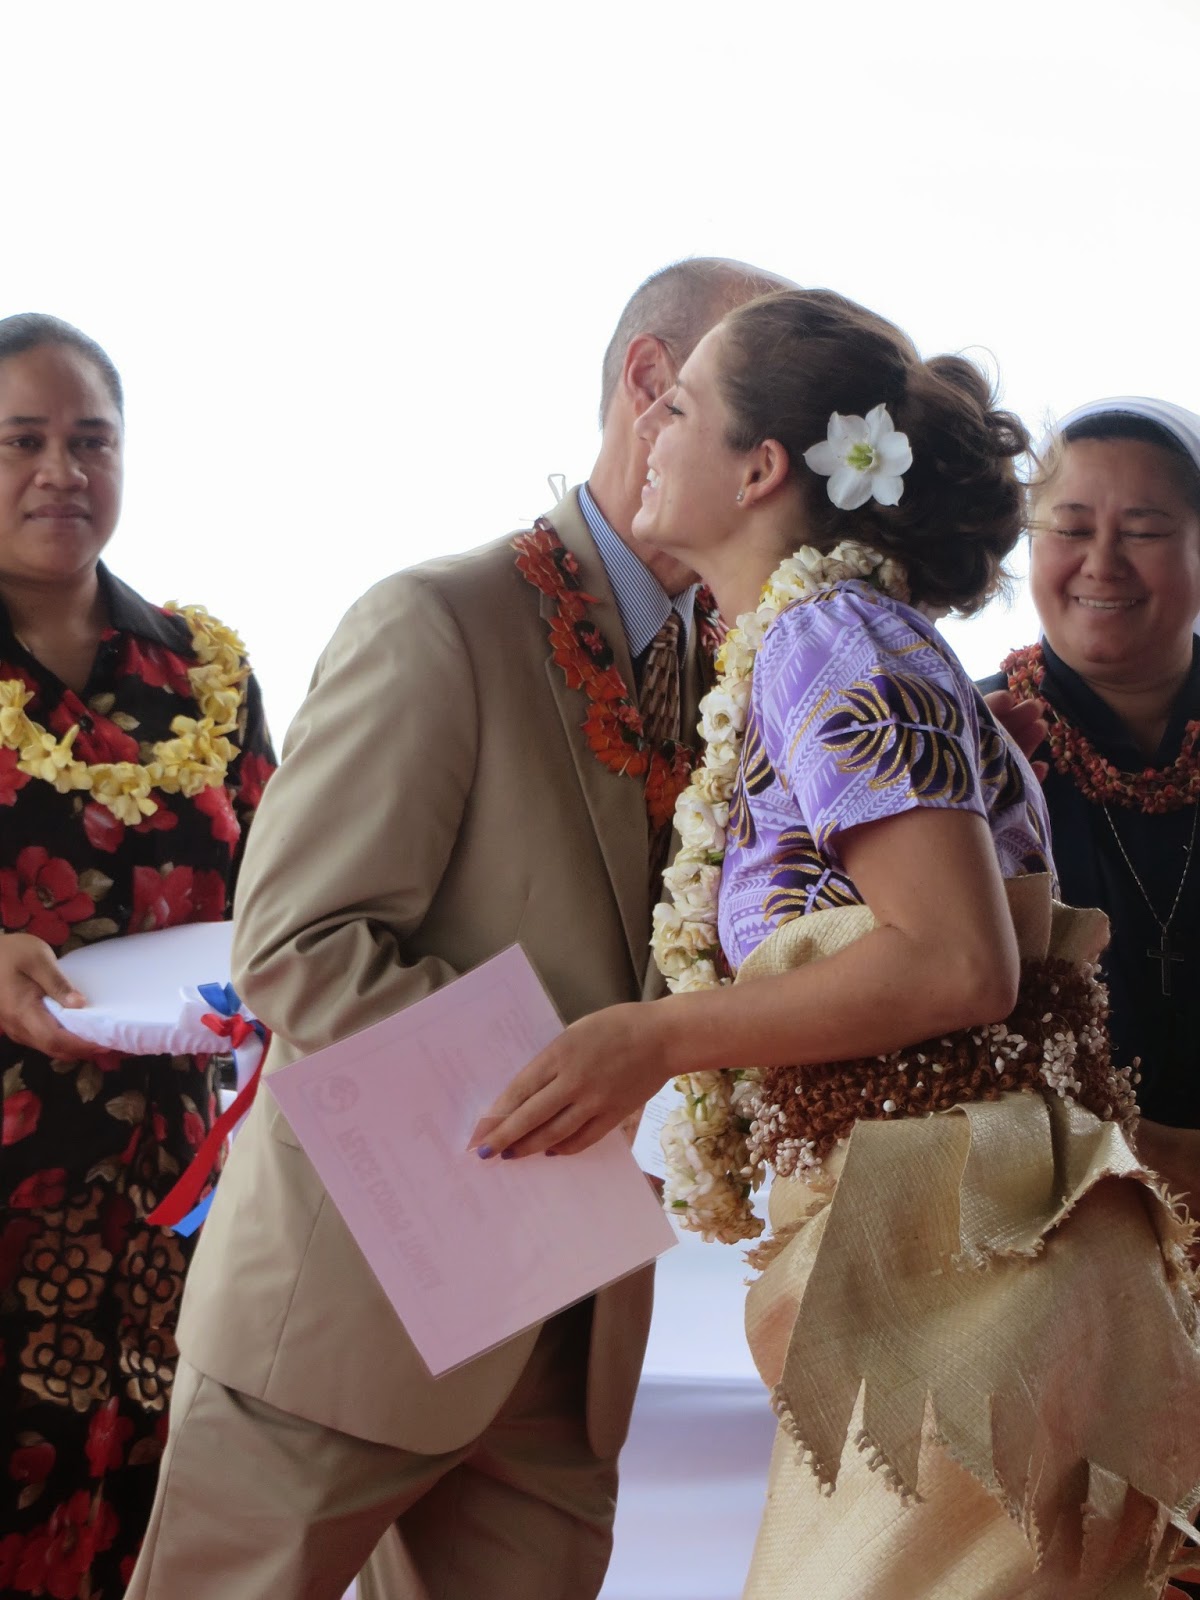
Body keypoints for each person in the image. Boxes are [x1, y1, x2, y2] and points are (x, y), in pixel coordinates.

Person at [478, 291, 1200, 1597]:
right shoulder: (819, 641)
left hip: (971, 1260)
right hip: (950, 1247)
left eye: (680, 405)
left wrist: (651, 1038)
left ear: (761, 469)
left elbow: (954, 962)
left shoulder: (829, 638)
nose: (651, 428)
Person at [124, 258, 795, 1600]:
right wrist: (576, 1077)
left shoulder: (749, 664)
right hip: (351, 1304)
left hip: (572, 1337)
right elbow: (297, 940)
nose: (789, 477)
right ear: (655, 388)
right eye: (767, 420)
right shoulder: (437, 619)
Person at [0, 314, 275, 1598]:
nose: (62, 470)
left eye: (89, 441)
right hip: (8, 1190)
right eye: (22, 441)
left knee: (159, 1514)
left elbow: (283, 881)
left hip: (170, 1189)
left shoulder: (198, 672)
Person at [979, 398, 1200, 1202]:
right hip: (1055, 1216)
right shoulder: (966, 742)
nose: (1102, 562)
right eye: (1070, 530)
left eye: (1143, 531)